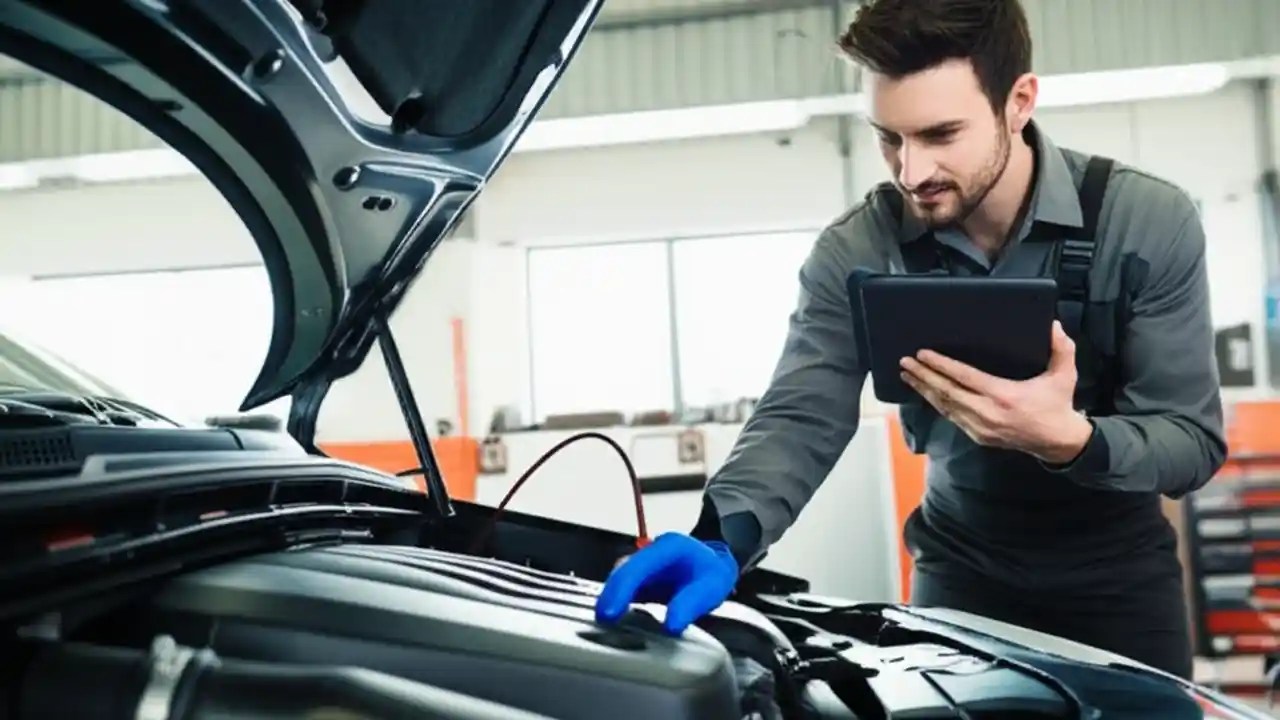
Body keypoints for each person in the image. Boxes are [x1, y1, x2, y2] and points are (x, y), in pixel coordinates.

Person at [594, 0, 1226, 680]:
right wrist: (720, 539)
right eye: (889, 138)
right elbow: (803, 413)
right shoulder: (857, 249)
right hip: (960, 582)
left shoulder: (1147, 223)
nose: (911, 171)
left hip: (1122, 589)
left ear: (1019, 101)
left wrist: (1068, 439)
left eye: (941, 134)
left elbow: (1190, 442)